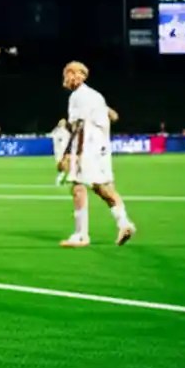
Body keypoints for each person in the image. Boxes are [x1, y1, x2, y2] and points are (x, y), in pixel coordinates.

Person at [56, 61, 135, 247]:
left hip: (87, 146)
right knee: (103, 188)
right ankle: (124, 223)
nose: (66, 78)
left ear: (78, 75)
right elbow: (112, 115)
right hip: (102, 147)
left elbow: (79, 127)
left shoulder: (77, 97)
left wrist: (69, 155)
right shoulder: (95, 95)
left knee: (77, 186)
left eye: (68, 74)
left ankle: (81, 235)